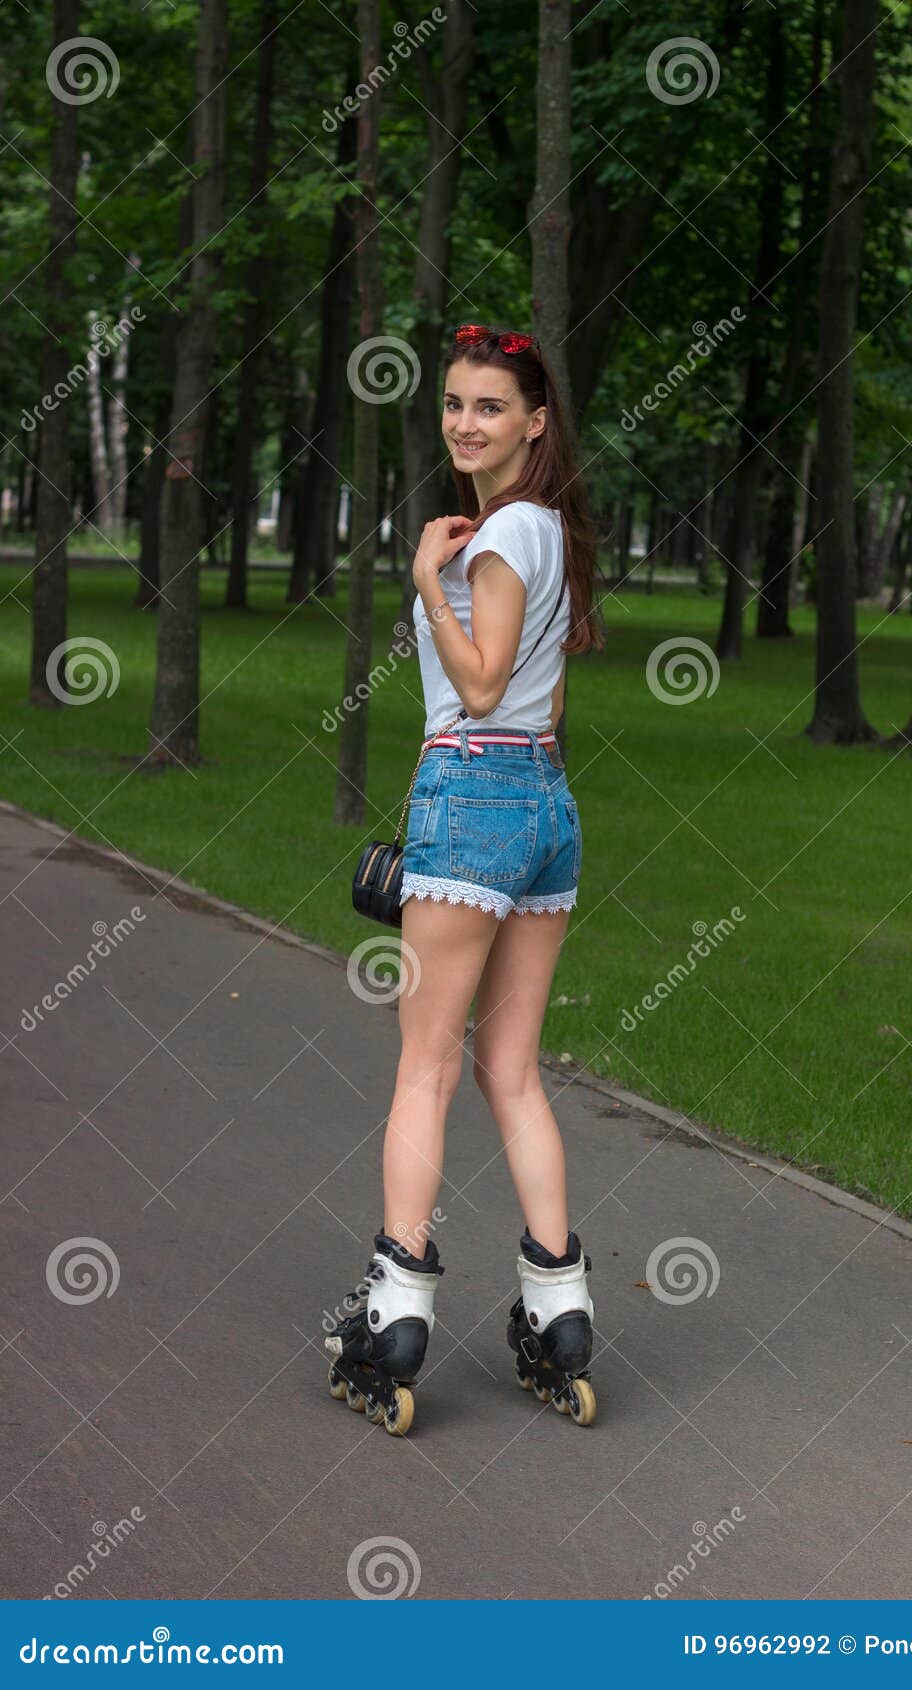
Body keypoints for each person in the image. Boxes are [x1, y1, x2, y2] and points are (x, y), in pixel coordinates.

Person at [324, 324, 606, 1435]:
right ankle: (559, 1307)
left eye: (490, 406)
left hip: (477, 783)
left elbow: (479, 685)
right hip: (544, 803)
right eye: (453, 403)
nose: (465, 422)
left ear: (535, 422)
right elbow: (534, 698)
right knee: (513, 1071)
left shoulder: (499, 538)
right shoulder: (548, 533)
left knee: (424, 1071)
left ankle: (394, 1315)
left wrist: (424, 581)